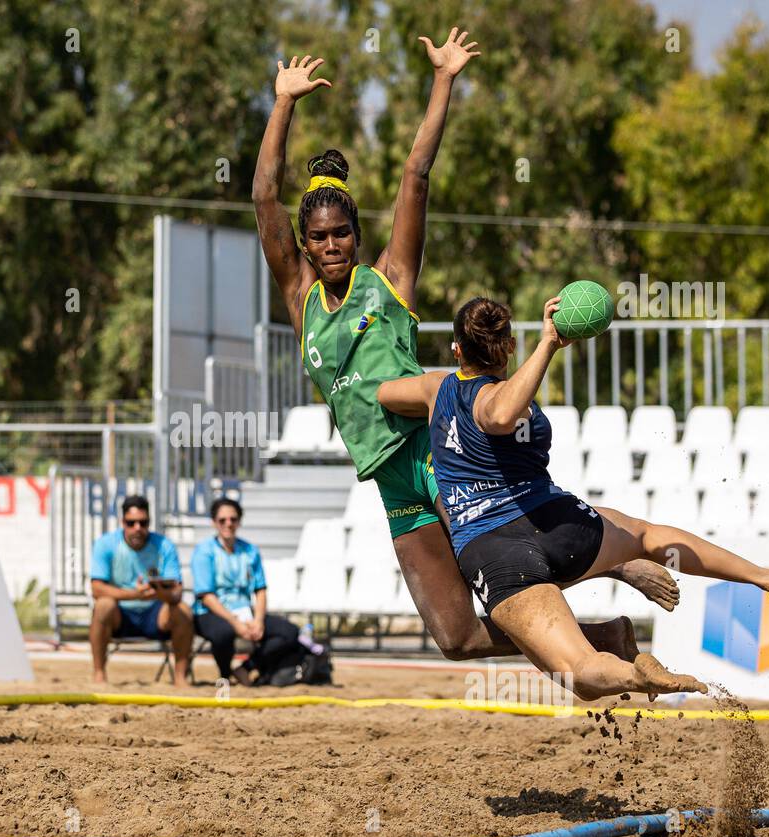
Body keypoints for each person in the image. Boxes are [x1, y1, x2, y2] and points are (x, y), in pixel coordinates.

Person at [250, 29, 675, 667]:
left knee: (518, 572)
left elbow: (416, 174)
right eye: (319, 236)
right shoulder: (299, 299)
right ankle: (608, 639)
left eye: (342, 234)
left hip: (437, 452)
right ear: (305, 244)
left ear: (357, 237)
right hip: (391, 482)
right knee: (457, 638)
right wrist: (283, 101)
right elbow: (262, 198)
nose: (332, 245)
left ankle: (620, 562)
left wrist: (445, 78)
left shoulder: (390, 280)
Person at [378, 295, 769, 700]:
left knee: (580, 670)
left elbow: (398, 396)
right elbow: (497, 409)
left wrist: (545, 348)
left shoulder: (436, 388)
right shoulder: (502, 390)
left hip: (497, 551)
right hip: (560, 526)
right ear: (509, 347)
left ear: (457, 348)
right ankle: (766, 577)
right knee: (647, 535)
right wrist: (545, 344)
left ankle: (636, 676)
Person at [190, 497, 318, 686]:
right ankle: (224, 676)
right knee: (223, 633)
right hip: (211, 613)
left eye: (233, 519)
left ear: (239, 521)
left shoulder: (250, 550)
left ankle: (246, 668)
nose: (228, 524)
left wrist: (258, 621)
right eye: (222, 520)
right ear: (213, 522)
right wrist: (235, 623)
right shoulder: (204, 551)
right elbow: (206, 596)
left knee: (289, 632)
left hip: (244, 611)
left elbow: (260, 589)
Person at [89, 495, 193, 688]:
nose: (137, 528)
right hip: (120, 614)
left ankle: (180, 677)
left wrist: (156, 593)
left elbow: (177, 592)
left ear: (149, 523)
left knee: (183, 611)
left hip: (156, 612)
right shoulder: (105, 544)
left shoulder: (164, 545)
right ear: (123, 523)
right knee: (103, 605)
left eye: (143, 523)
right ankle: (99, 674)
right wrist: (135, 594)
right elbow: (96, 588)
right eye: (131, 523)